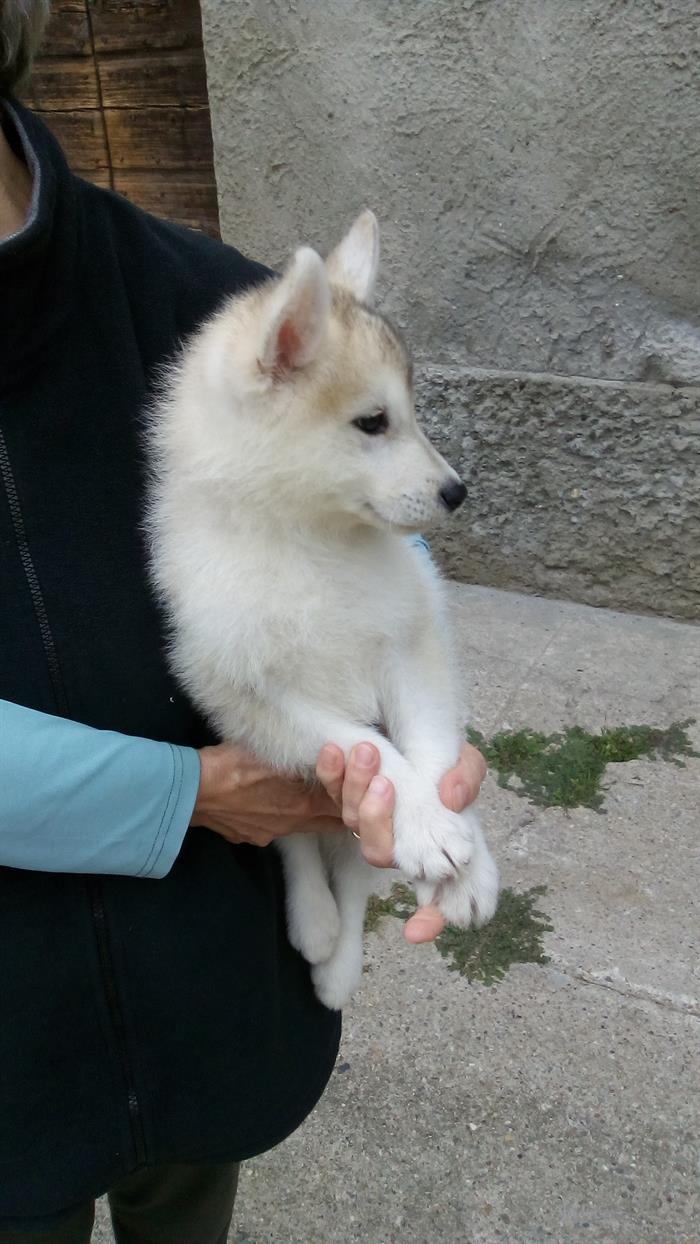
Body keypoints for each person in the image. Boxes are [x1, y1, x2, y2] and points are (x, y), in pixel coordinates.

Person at [0, 3, 487, 1240]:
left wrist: (419, 768)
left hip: (215, 1024)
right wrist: (193, 792)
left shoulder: (204, 294)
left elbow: (389, 575)